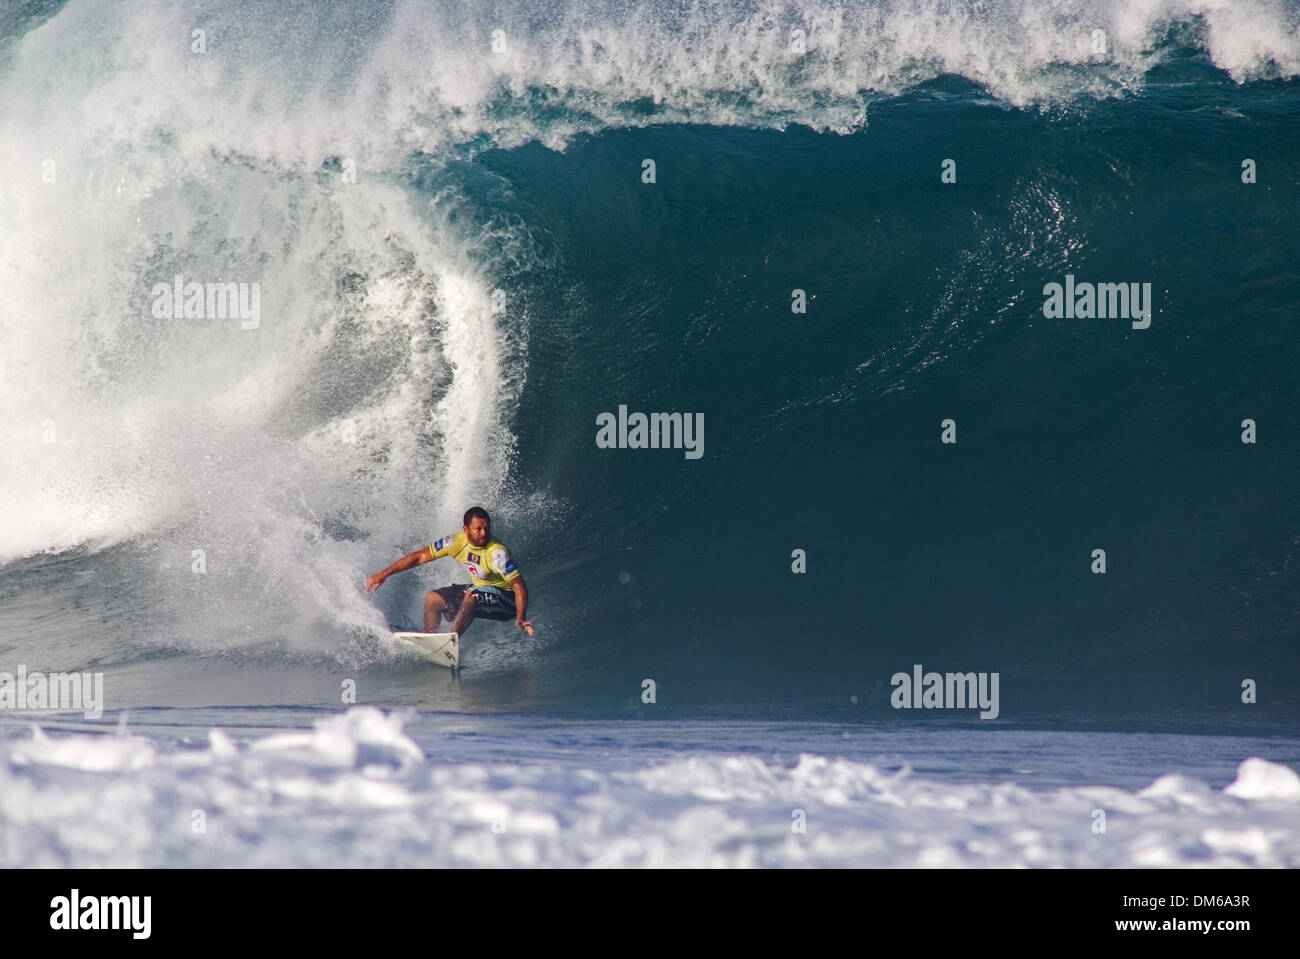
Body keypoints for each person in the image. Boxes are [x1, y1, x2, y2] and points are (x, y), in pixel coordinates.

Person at [365, 506, 534, 637]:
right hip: (480, 592)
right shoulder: (454, 542)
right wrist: (383, 574)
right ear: (466, 529)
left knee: (472, 594)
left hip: (507, 601)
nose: (484, 533)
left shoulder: (496, 552)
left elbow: (519, 586)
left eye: (486, 528)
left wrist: (521, 617)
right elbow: (419, 557)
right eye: (478, 529)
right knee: (433, 598)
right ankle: (431, 639)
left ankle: (450, 640)